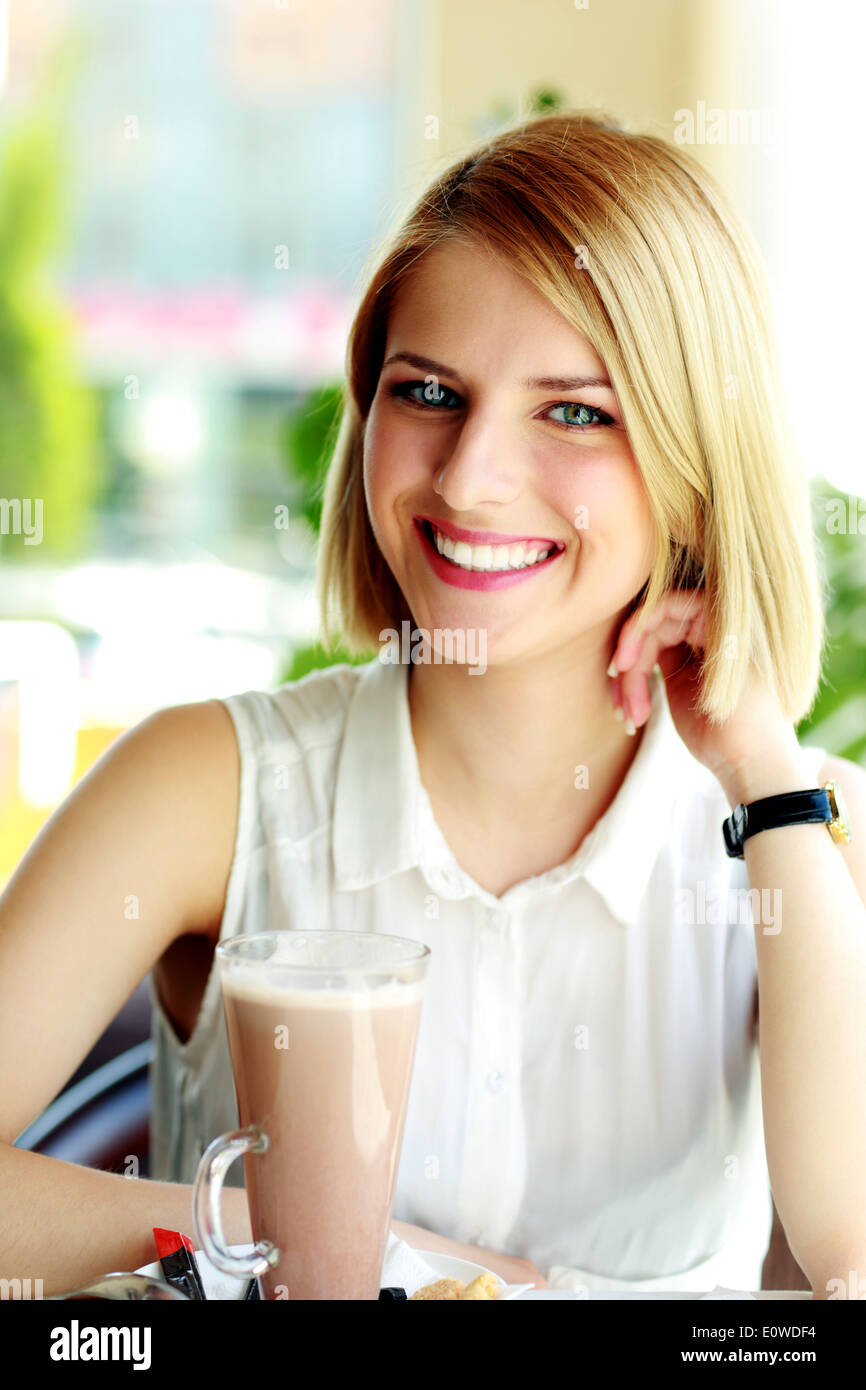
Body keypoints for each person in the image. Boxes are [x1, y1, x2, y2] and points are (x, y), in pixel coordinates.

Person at [2, 110, 865, 1300]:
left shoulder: (813, 836)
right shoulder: (206, 784)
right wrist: (337, 1243)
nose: (466, 477)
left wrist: (766, 773)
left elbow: (846, 1257)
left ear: (696, 459)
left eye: (574, 410)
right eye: (427, 392)